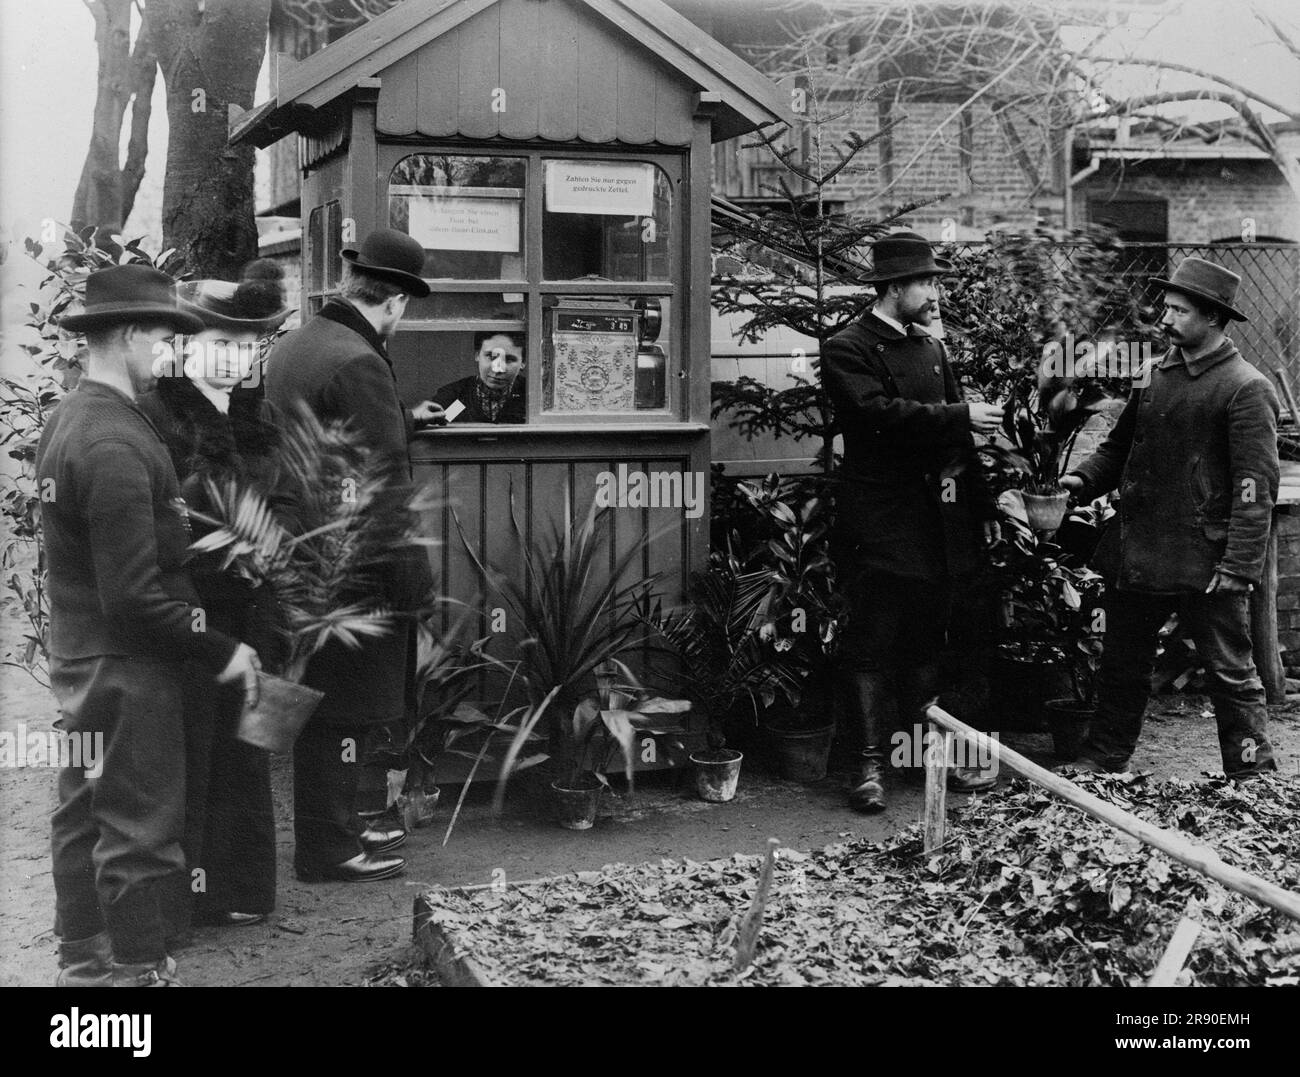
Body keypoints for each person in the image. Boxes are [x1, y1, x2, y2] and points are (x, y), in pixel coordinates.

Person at [38, 265, 261, 986]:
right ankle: (132, 975)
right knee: (138, 829)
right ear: (131, 334)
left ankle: (86, 964)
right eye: (163, 338)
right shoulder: (114, 440)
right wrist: (219, 648)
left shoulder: (74, 418)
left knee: (82, 812)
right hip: (131, 670)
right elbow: (135, 595)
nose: (166, 354)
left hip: (82, 661)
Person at [1061, 257, 1280, 779]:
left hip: (1206, 562)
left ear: (1212, 318)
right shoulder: (1153, 374)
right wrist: (1080, 481)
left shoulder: (1245, 387)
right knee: (1122, 663)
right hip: (1137, 549)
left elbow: (1255, 489)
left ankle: (1252, 776)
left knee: (1230, 672)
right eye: (1167, 306)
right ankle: (1104, 756)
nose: (1165, 317)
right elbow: (1117, 450)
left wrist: (1240, 565)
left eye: (1179, 310)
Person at [265, 228, 434, 883]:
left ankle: (332, 830)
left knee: (315, 695)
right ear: (392, 303)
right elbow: (383, 478)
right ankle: (329, 848)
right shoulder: (362, 360)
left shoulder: (298, 344)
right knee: (349, 706)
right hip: (353, 565)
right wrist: (411, 578)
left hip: (295, 550)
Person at [820, 231, 1004, 812]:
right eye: (926, 283)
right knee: (872, 641)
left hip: (935, 525)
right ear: (894, 287)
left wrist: (982, 507)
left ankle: (921, 758)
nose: (933, 294)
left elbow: (959, 445)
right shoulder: (847, 346)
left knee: (927, 640)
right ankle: (868, 767)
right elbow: (877, 416)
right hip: (878, 522)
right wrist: (959, 412)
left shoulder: (931, 348)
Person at [137, 278, 293, 935]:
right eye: (223, 341)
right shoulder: (159, 414)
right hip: (192, 608)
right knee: (192, 749)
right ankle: (189, 897)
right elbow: (147, 522)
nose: (236, 356)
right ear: (190, 342)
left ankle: (243, 888)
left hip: (257, 607)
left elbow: (290, 503)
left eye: (250, 343)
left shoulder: (259, 418)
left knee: (249, 748)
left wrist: (274, 546)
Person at [416, 331, 526, 426]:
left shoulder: (532, 398)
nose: (498, 369)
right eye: (491, 356)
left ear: (523, 362)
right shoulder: (455, 397)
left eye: (509, 359)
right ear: (477, 355)